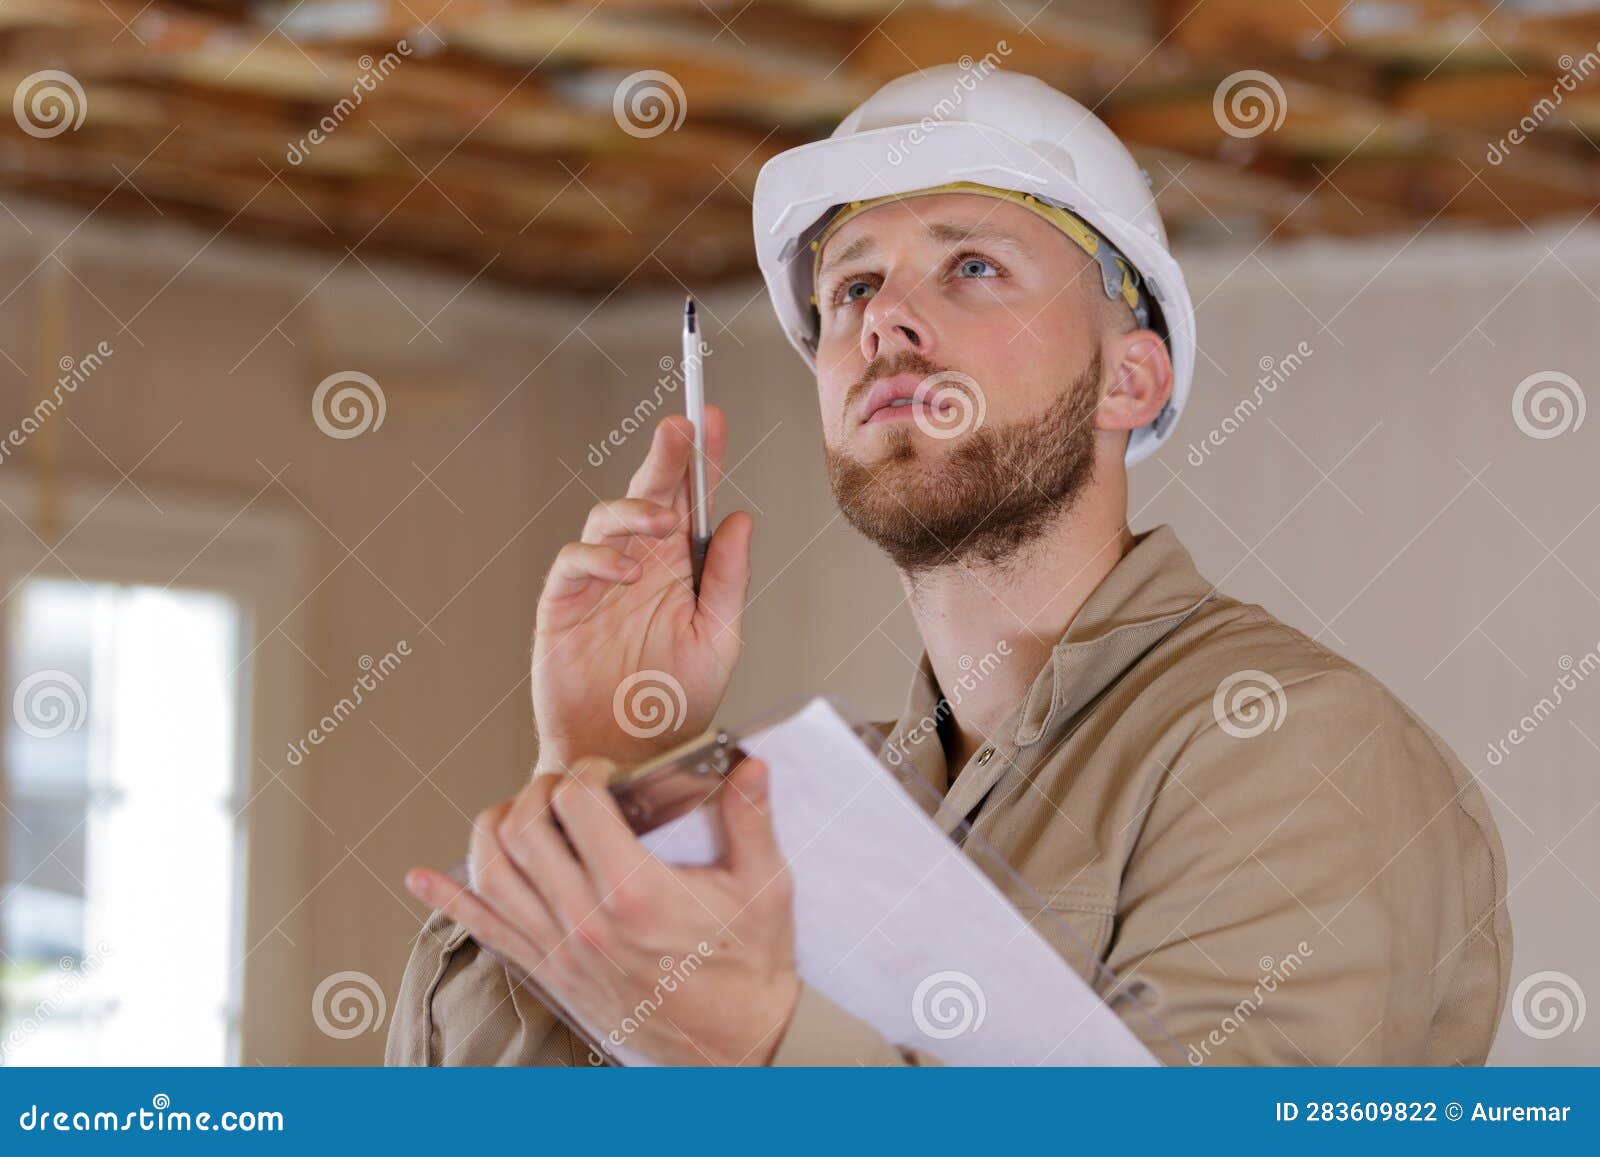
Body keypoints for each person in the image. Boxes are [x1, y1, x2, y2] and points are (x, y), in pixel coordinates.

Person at [386, 65, 1510, 1067]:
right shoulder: (808, 809)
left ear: (1130, 378)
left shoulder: (1291, 748)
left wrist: (764, 1054)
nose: (885, 322)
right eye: (854, 287)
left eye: (970, 265)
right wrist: (607, 769)